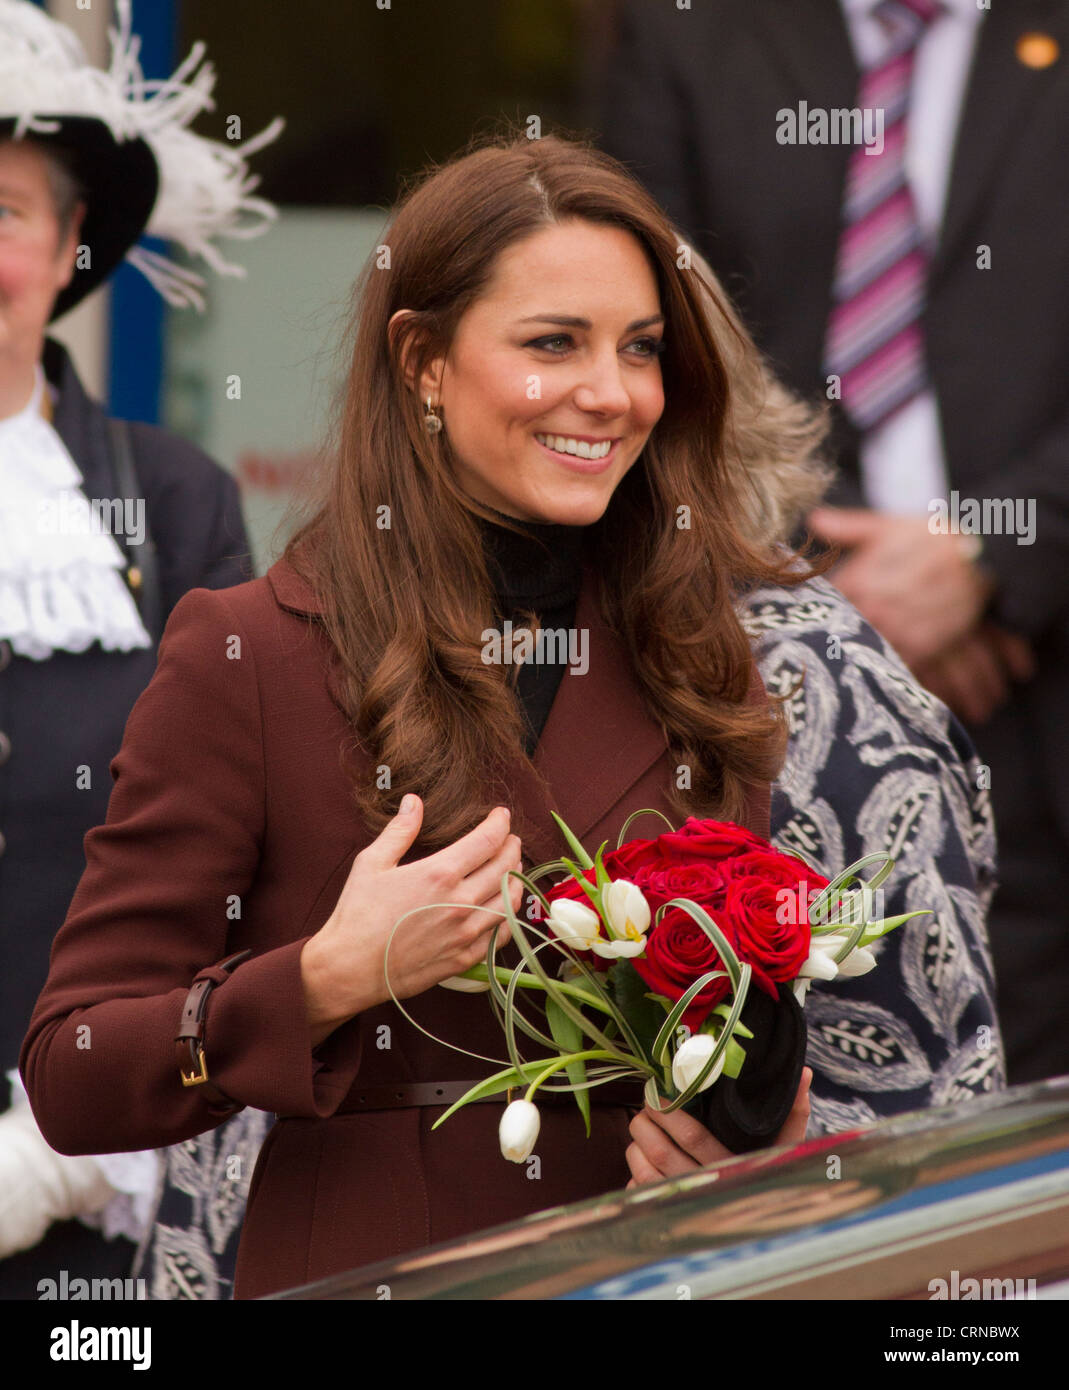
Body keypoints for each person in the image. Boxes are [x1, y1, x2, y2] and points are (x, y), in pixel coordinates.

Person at [22, 129, 996, 1300]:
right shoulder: (253, 649)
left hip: (661, 1273)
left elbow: (788, 1062)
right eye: (553, 344)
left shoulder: (709, 651)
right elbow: (76, 1067)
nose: (612, 393)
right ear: (423, 360)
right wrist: (327, 975)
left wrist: (756, 1138)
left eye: (640, 349)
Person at [595, 0, 1069, 1086]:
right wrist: (840, 586)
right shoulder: (688, 37)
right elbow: (648, 335)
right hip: (776, 685)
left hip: (1043, 670)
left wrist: (988, 559)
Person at [0, 0, 278, 1296]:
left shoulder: (173, 504)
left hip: (93, 1189)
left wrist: (64, 1148)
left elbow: (249, 856)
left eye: (2, 209)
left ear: (67, 247)